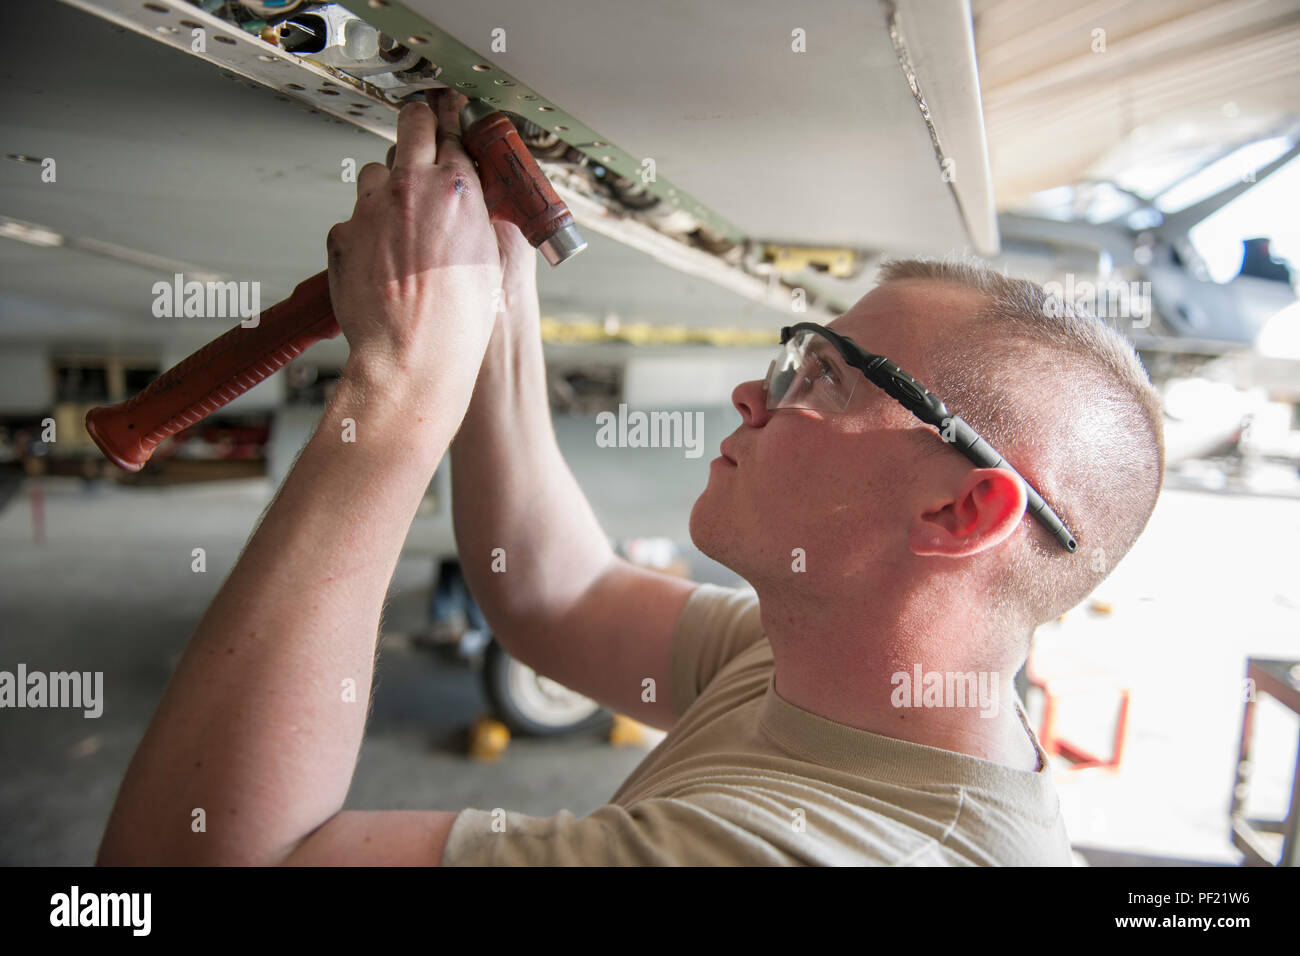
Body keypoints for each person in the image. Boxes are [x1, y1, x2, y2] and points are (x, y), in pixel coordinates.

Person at [97, 89, 1164, 867]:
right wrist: (493, 297)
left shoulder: (810, 851)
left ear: (963, 506)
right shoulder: (838, 673)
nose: (758, 393)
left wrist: (397, 392)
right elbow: (558, 591)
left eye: (826, 379)